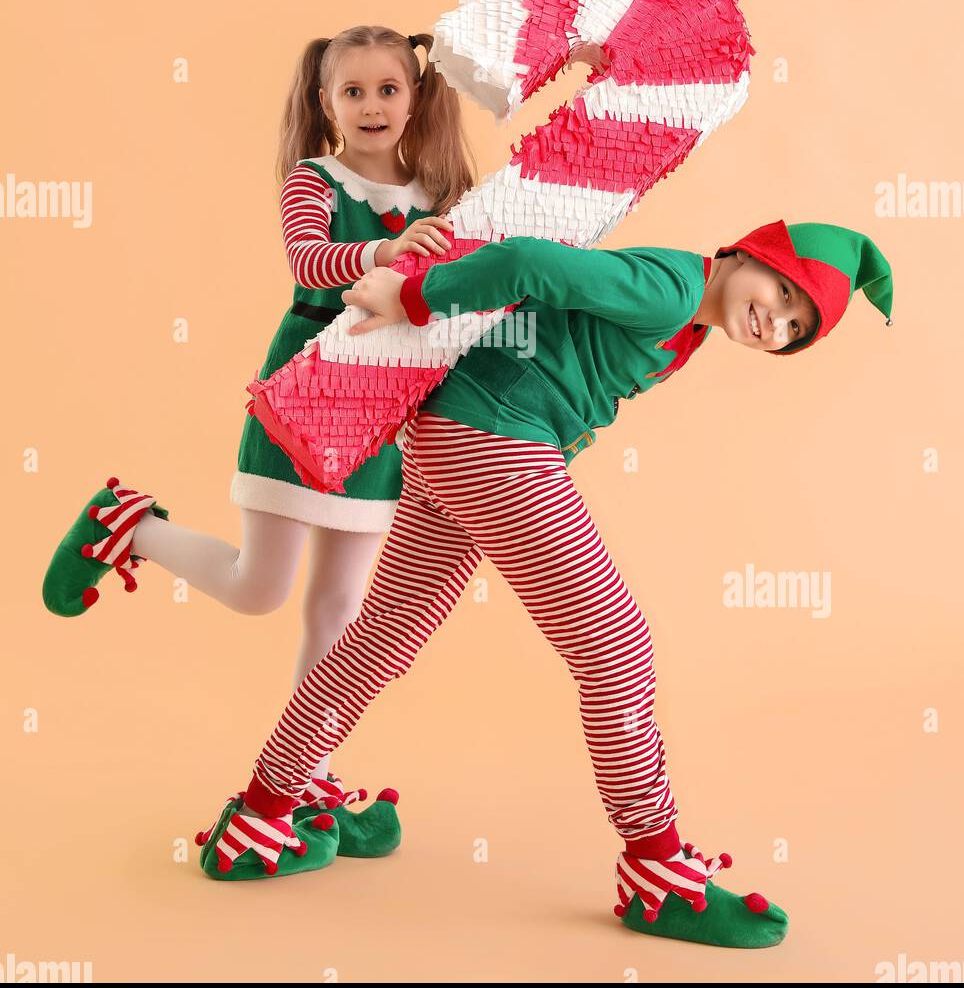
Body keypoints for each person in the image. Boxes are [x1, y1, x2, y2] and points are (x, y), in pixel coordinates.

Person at [196, 218, 893, 947]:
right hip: (494, 443)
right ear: (747, 253)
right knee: (617, 649)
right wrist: (413, 297)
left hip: (454, 435)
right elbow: (530, 262)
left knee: (382, 638)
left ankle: (261, 815)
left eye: (794, 326)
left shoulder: (689, 321)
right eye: (783, 291)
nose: (775, 319)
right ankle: (656, 875)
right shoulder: (671, 289)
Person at [41, 24, 478, 854]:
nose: (373, 105)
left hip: (384, 416)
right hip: (306, 396)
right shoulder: (314, 179)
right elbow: (307, 262)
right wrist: (387, 250)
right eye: (353, 91)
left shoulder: (442, 193)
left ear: (416, 95)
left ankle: (305, 770)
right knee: (258, 588)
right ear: (325, 103)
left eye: (389, 88)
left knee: (340, 610)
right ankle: (132, 526)